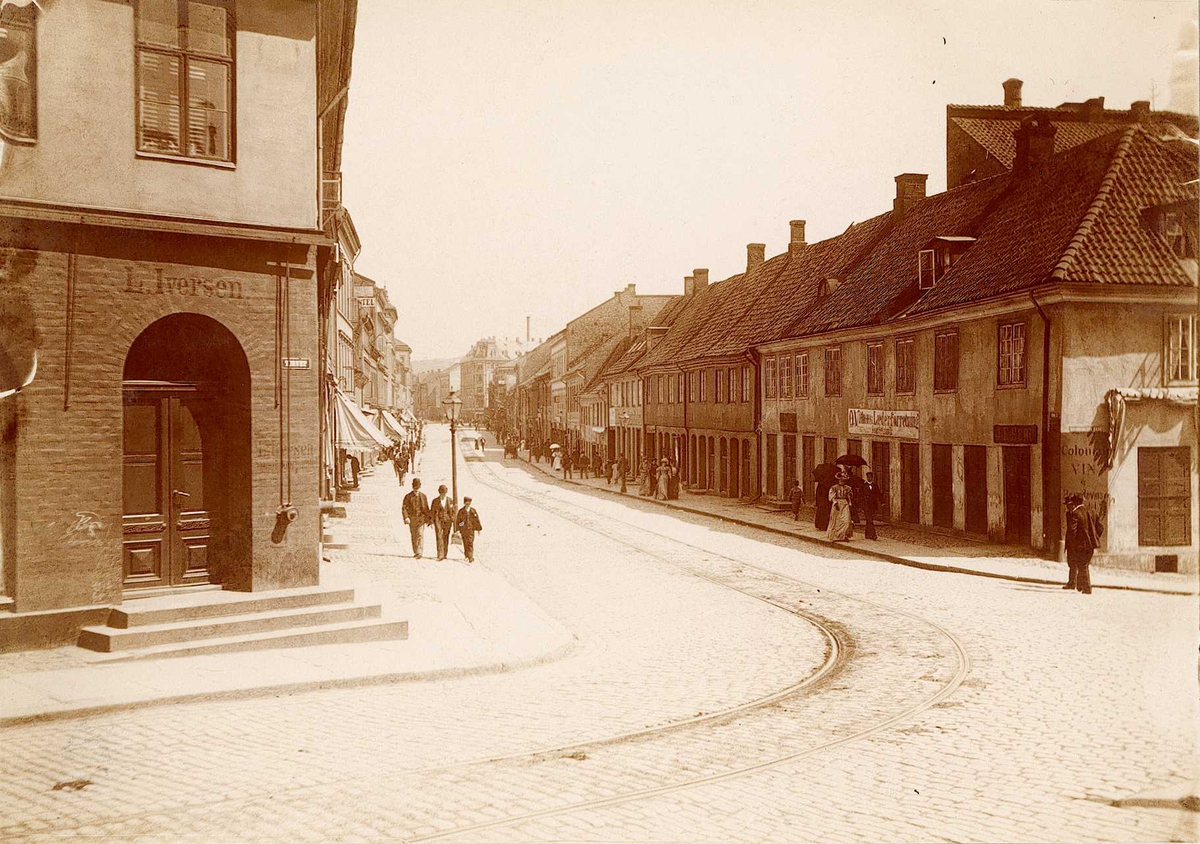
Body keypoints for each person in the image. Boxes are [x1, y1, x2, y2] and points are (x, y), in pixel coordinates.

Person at [1064, 494, 1103, 594]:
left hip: (1080, 545)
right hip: (1091, 545)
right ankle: (1080, 585)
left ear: (1075, 502)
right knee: (1084, 565)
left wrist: (1073, 545)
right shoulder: (1091, 511)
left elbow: (1072, 531)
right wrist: (1095, 538)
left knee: (1082, 565)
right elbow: (1100, 527)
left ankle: (1087, 588)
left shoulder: (1075, 514)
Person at [401, 478, 430, 559]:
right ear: (413, 487)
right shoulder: (408, 496)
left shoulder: (423, 496)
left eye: (417, 487)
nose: (416, 489)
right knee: (414, 535)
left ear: (420, 487)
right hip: (412, 519)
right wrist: (406, 517)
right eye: (415, 487)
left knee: (420, 534)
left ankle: (419, 552)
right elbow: (404, 508)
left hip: (421, 519)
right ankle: (415, 551)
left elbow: (426, 508)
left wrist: (429, 520)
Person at [827, 469, 854, 541]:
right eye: (840, 480)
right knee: (837, 520)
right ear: (838, 480)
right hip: (837, 504)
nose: (842, 482)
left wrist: (849, 496)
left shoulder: (848, 488)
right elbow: (832, 496)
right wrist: (835, 503)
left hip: (845, 504)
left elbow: (850, 497)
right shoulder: (834, 487)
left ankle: (844, 534)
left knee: (846, 520)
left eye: (843, 481)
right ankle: (837, 536)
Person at [454, 496, 483, 563]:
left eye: (469, 502)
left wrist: (478, 529)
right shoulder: (461, 511)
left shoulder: (473, 511)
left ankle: (470, 557)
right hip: (463, 530)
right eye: (467, 502)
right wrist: (459, 528)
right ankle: (466, 555)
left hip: (471, 529)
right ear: (464, 503)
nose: (468, 504)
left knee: (470, 542)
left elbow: (476, 520)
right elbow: (458, 521)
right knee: (465, 542)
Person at [430, 484, 455, 561]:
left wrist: (452, 520)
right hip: (438, 521)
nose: (443, 494)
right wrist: (431, 522)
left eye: (444, 493)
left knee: (446, 537)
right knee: (439, 536)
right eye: (441, 493)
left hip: (447, 522)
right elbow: (432, 512)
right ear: (439, 493)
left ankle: (445, 554)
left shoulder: (450, 500)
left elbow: (453, 512)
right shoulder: (435, 501)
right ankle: (440, 554)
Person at [861, 471, 880, 540]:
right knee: (870, 520)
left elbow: (879, 494)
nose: (869, 478)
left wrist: (882, 502)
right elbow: (860, 496)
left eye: (870, 477)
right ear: (866, 478)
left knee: (869, 520)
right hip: (866, 505)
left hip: (873, 505)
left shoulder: (875, 485)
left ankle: (867, 534)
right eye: (868, 477)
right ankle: (873, 535)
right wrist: (862, 506)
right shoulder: (863, 486)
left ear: (872, 478)